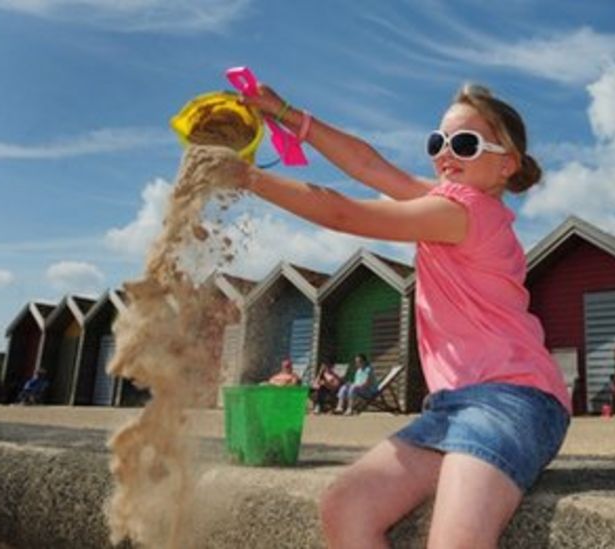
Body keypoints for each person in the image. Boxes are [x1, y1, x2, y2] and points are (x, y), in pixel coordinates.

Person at [232, 81, 570, 547]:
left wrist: (246, 177)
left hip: (512, 402)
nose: (445, 153)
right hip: (452, 408)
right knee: (346, 505)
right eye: (438, 142)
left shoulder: (464, 212)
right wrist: (284, 112)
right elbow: (368, 165)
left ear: (505, 164)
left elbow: (344, 214)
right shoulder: (448, 202)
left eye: (464, 144)